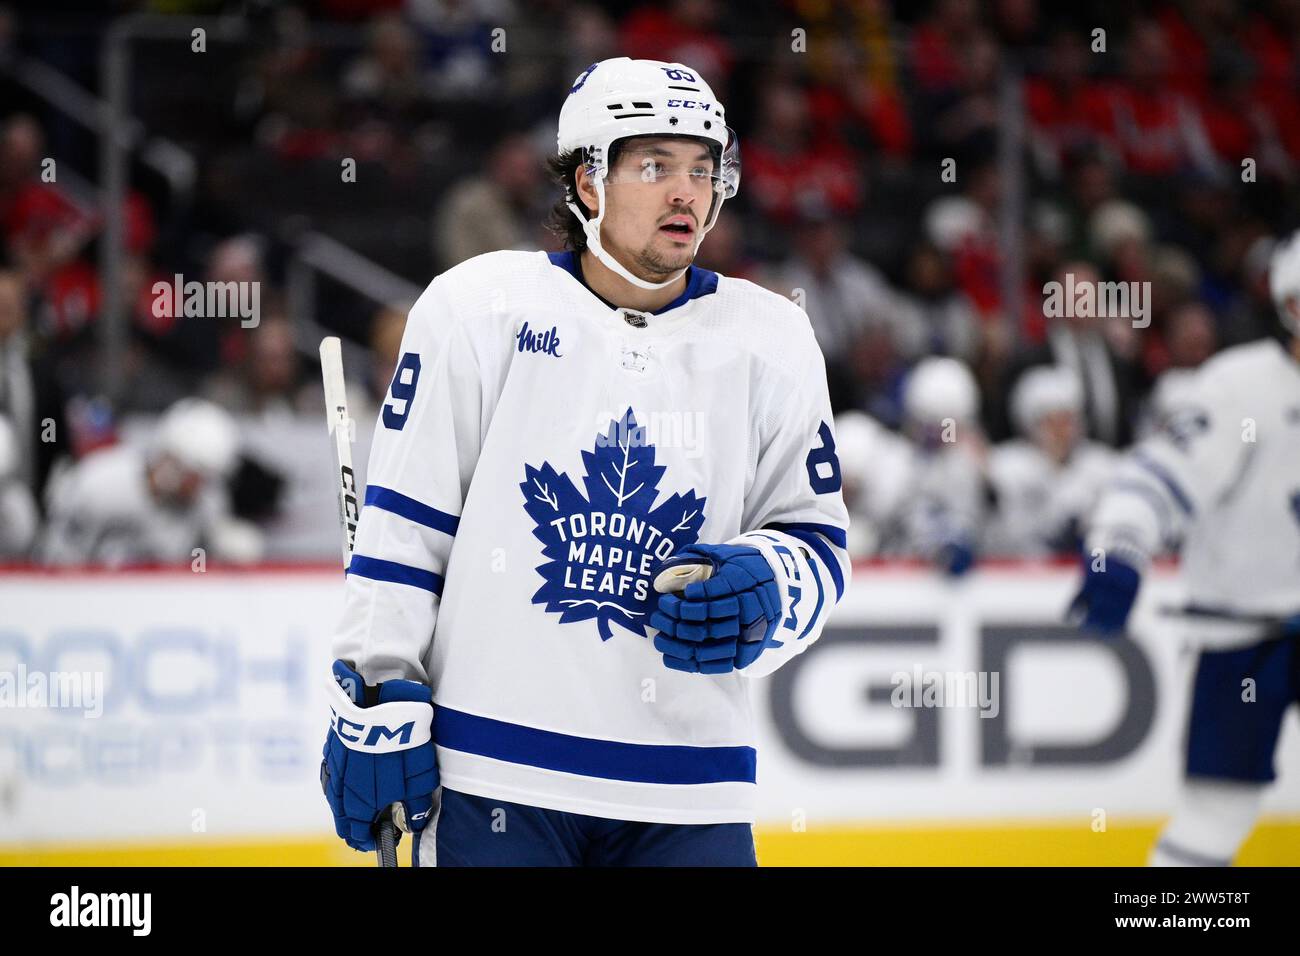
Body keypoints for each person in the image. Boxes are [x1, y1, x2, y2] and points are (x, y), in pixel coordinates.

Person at [320, 57, 851, 867]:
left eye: (704, 169)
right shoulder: (477, 309)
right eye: (655, 166)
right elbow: (405, 528)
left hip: (690, 790)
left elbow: (818, 549)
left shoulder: (770, 338)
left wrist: (768, 586)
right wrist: (375, 687)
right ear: (588, 183)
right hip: (493, 777)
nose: (688, 192)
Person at [1069, 230, 1300, 866]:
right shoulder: (1239, 388)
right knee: (1215, 814)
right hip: (1240, 634)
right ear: (1291, 304)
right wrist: (1118, 549)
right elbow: (1158, 479)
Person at [39, 397, 260, 566]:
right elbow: (55, 559)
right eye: (197, 476)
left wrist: (223, 551)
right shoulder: (98, 483)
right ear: (172, 462)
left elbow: (198, 569)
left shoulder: (207, 502)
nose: (200, 488)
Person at [986, 365, 1115, 557]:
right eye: (1052, 422)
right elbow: (997, 538)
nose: (1062, 431)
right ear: (1031, 424)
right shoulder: (1006, 466)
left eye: (1068, 420)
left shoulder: (1101, 465)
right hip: (1022, 578)